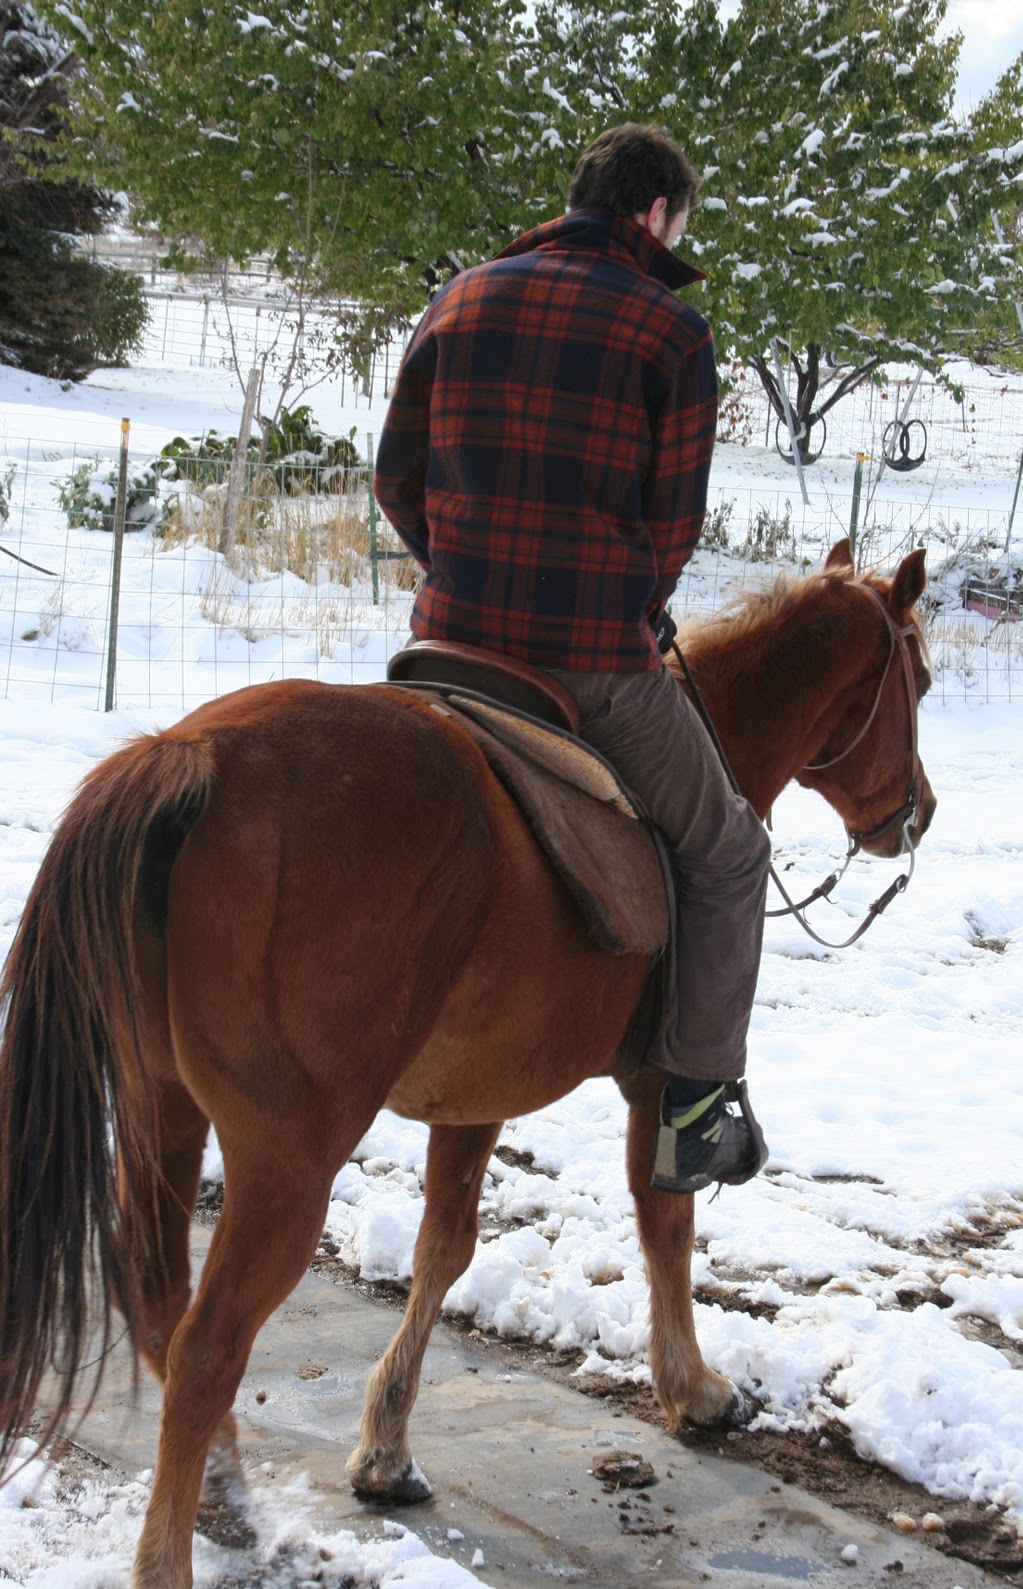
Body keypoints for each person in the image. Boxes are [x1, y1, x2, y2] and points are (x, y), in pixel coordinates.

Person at [375, 122, 770, 1194]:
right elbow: (669, 529)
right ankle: (695, 1105)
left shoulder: (458, 298)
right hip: (588, 663)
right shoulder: (668, 332)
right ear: (655, 214)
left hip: (443, 646)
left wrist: (457, 572)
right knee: (729, 852)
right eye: (679, 220)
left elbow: (395, 482)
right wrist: (621, 608)